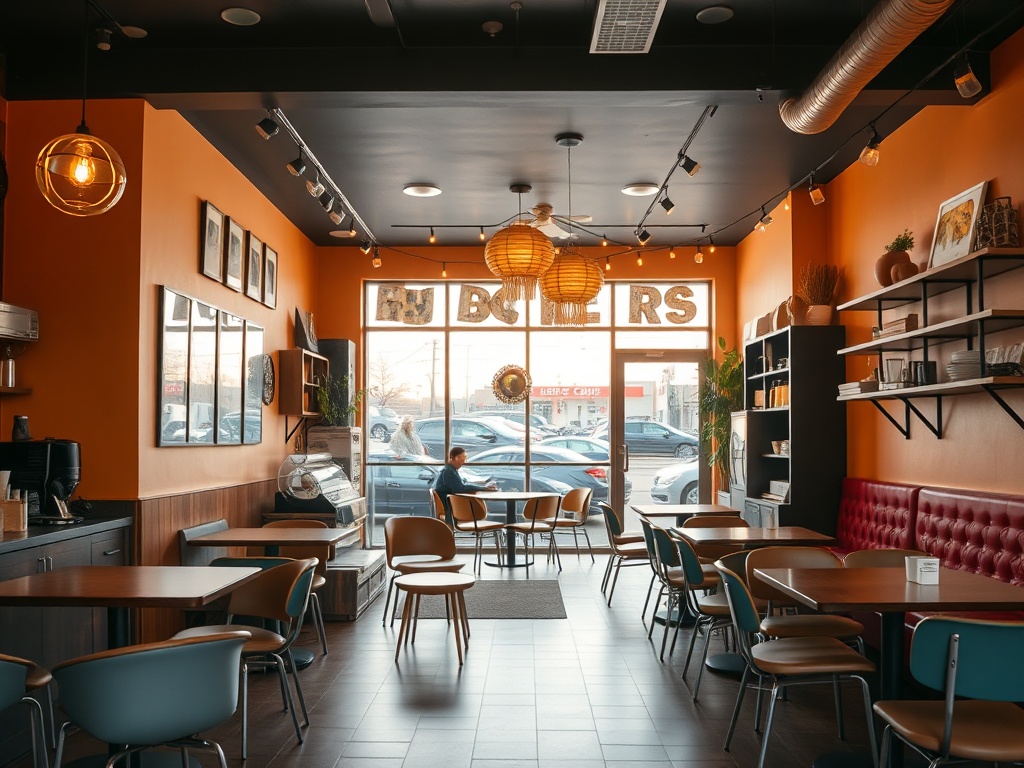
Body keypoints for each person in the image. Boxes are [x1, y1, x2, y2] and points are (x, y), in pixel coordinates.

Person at [430, 446, 496, 524]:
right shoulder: (449, 472)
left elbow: (460, 484)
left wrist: (481, 485)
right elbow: (460, 489)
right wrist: (484, 488)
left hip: (449, 504)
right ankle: (479, 523)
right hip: (451, 506)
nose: (465, 461)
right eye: (463, 458)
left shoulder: (448, 469)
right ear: (456, 458)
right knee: (479, 505)